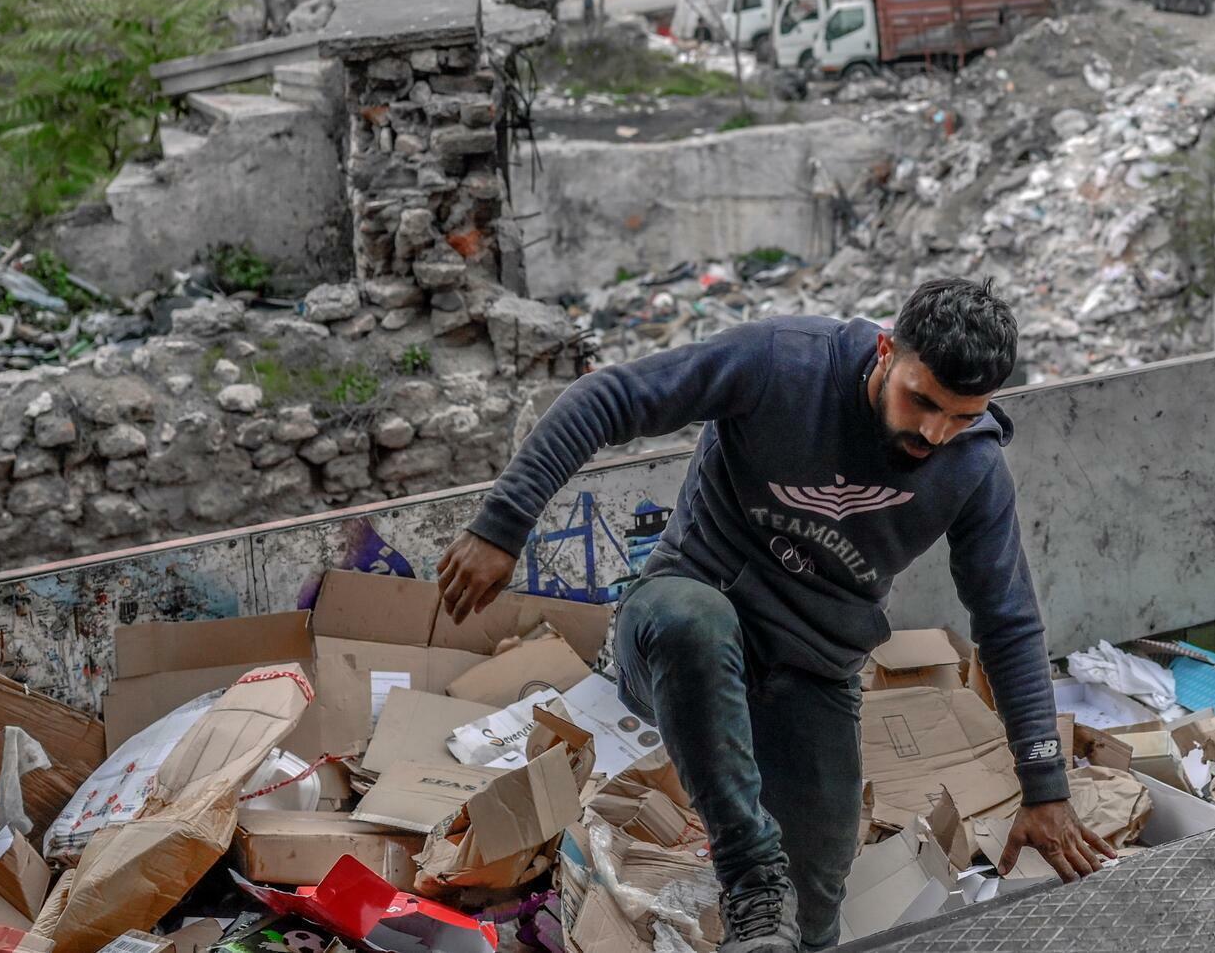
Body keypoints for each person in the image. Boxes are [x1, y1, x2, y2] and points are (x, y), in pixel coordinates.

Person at [437, 279, 1114, 953]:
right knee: (693, 622)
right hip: (679, 621)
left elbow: (1008, 621)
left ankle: (771, 915)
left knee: (814, 902)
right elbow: (608, 397)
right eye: (922, 402)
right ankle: (750, 875)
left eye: (961, 417)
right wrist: (503, 525)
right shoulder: (781, 364)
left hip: (812, 672)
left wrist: (1044, 788)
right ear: (884, 351)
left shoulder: (973, 467)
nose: (934, 433)